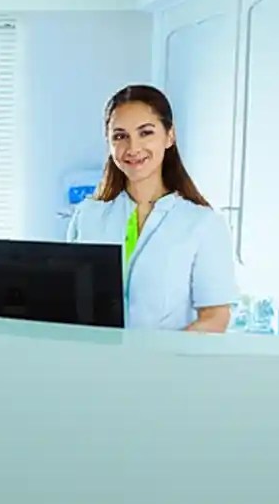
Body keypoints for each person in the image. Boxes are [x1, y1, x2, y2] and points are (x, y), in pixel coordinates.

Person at [66, 84, 237, 332]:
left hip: (165, 366)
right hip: (95, 365)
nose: (133, 148)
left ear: (169, 136)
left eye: (145, 133)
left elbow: (215, 317)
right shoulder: (87, 216)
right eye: (120, 136)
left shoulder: (203, 224)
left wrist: (163, 362)